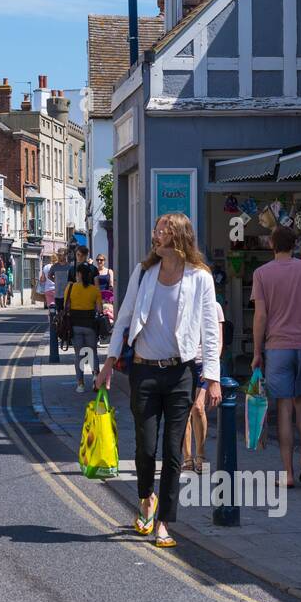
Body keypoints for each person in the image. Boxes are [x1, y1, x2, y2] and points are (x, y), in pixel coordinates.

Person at [97, 213, 221, 549]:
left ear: (179, 237)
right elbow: (123, 318)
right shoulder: (144, 272)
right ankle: (146, 499)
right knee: (145, 445)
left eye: (163, 231)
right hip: (144, 370)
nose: (156, 235)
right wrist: (108, 364)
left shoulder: (200, 278)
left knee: (173, 450)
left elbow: (211, 330)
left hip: (180, 372)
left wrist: (212, 377)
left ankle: (164, 523)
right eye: (155, 230)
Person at [251, 226, 301, 489]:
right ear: (294, 244)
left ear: (272, 244)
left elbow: (260, 316)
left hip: (277, 347)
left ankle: (288, 473)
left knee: (284, 408)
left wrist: (257, 351)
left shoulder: (262, 274)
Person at [182, 296, 226, 474]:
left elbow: (219, 341)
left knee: (198, 407)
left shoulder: (214, 307)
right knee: (184, 410)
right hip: (183, 362)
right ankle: (187, 458)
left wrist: (212, 367)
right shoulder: (183, 303)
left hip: (204, 363)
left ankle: (200, 454)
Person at [64, 265, 103, 393]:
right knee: (92, 353)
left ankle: (80, 384)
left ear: (79, 274)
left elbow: (66, 306)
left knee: (79, 355)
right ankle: (96, 378)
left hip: (75, 326)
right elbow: (100, 310)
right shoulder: (94, 290)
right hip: (90, 326)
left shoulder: (70, 288)